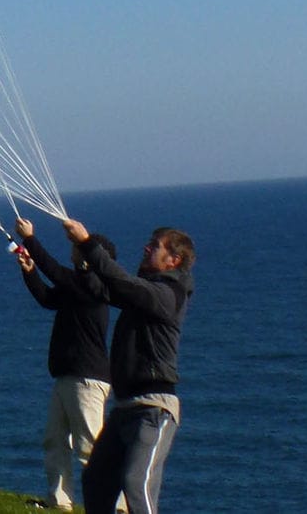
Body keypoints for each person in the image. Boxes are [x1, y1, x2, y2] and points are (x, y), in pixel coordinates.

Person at [61, 217, 195, 514]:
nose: (146, 248)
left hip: (153, 409)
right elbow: (104, 288)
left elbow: (123, 284)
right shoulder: (144, 293)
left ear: (174, 260)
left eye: (155, 247)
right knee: (96, 481)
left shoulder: (167, 295)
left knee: (137, 483)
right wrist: (82, 259)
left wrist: (87, 243)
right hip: (126, 408)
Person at [13, 217, 116, 510]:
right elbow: (48, 298)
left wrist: (30, 239)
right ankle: (59, 500)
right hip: (69, 377)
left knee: (90, 446)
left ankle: (115, 505)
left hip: (86, 379)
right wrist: (31, 273)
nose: (73, 249)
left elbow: (56, 273)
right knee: (54, 440)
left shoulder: (94, 286)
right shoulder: (80, 286)